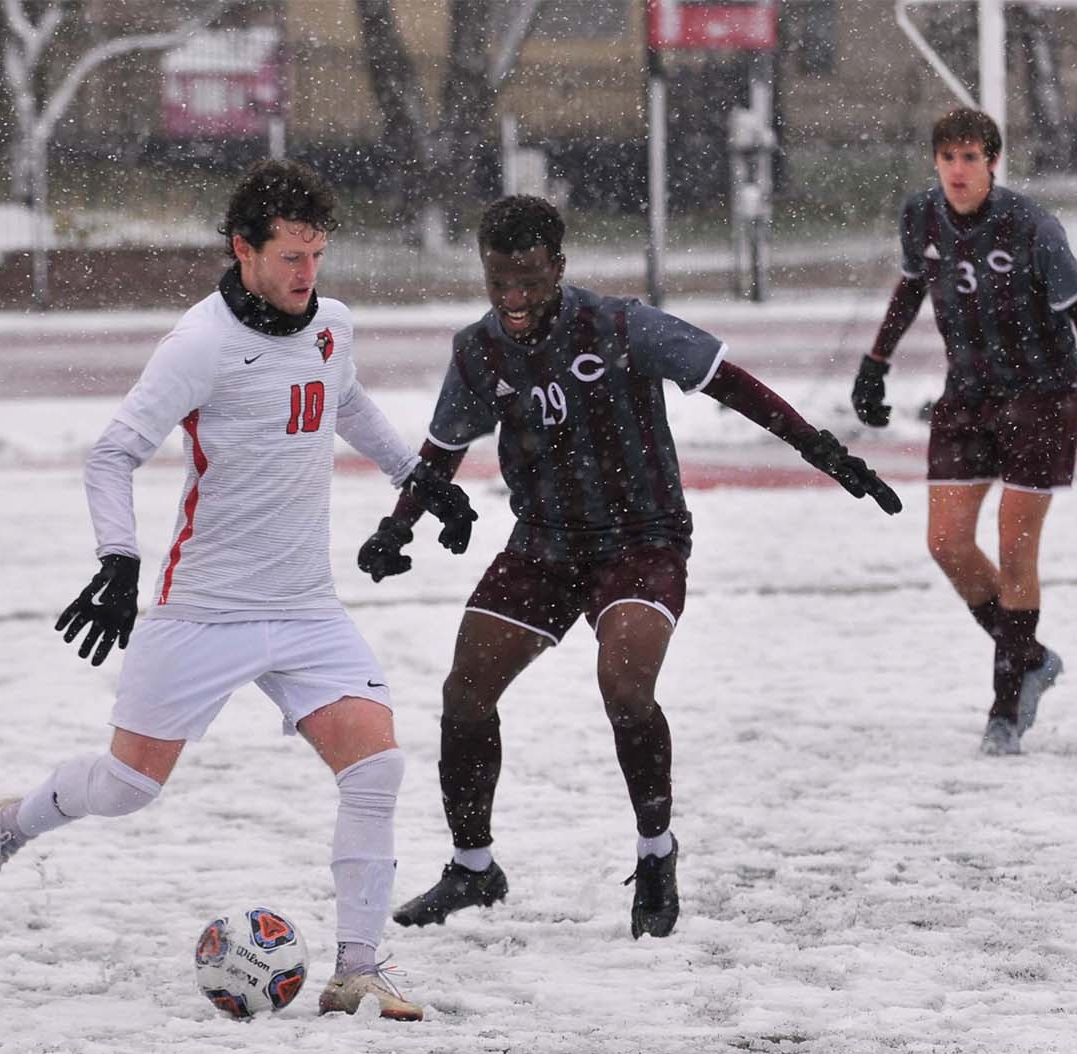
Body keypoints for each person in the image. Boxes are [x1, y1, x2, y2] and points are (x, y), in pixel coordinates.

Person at [0, 159, 477, 1022]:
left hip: (305, 608)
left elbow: (346, 402)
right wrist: (119, 561)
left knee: (376, 767)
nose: (308, 276)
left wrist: (420, 477)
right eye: (292, 258)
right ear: (244, 250)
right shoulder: (200, 344)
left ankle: (358, 973)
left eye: (318, 255)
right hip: (203, 611)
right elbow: (111, 452)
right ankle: (12, 823)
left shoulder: (333, 324)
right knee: (127, 787)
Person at [357, 194, 902, 940]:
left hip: (642, 540)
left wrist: (822, 451)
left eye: (529, 279)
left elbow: (731, 383)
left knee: (623, 683)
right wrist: (397, 528)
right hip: (544, 543)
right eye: (499, 281)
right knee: (465, 691)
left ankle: (655, 852)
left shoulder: (619, 326)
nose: (513, 298)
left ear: (559, 267)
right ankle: (473, 869)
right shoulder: (477, 350)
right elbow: (443, 450)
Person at [848, 107, 1077, 756]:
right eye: (949, 158)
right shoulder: (921, 217)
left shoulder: (1033, 229)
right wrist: (875, 362)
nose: (959, 170)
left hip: (1041, 399)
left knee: (1015, 546)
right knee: (945, 541)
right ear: (936, 163)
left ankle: (1005, 710)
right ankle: (1028, 655)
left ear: (993, 162)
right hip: (967, 396)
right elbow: (912, 287)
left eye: (972, 158)